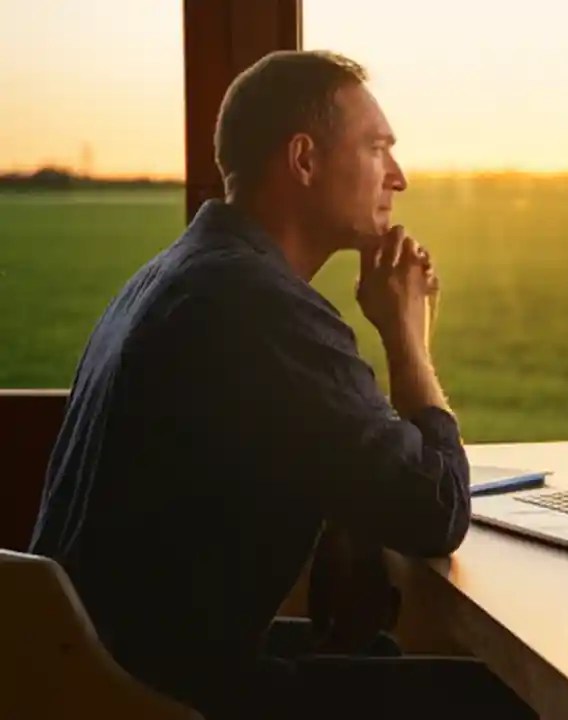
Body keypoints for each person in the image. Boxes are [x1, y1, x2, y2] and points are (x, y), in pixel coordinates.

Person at [28, 50, 533, 719]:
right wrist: (407, 336)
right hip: (156, 698)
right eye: (377, 147)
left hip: (82, 668)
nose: (399, 177)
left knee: (381, 653)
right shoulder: (257, 304)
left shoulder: (180, 273)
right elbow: (435, 511)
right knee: (504, 700)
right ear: (303, 160)